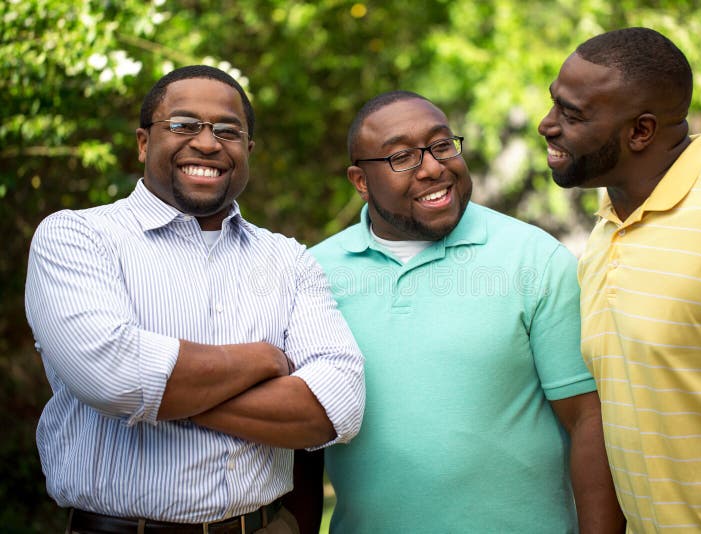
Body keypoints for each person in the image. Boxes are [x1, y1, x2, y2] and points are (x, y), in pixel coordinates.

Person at [24, 65, 365, 533]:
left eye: (228, 130)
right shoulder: (78, 237)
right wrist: (264, 360)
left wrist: (161, 395)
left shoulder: (288, 259)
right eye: (183, 125)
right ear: (144, 142)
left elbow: (338, 406)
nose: (207, 143)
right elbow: (112, 375)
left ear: (247, 150)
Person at [293, 90, 624, 533]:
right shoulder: (313, 274)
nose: (432, 167)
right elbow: (304, 444)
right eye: (402, 157)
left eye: (442, 145)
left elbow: (588, 420)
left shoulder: (535, 259)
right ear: (360, 180)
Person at [538, 27, 701, 532]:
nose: (547, 125)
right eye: (554, 105)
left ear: (641, 131)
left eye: (572, 114)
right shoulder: (609, 225)